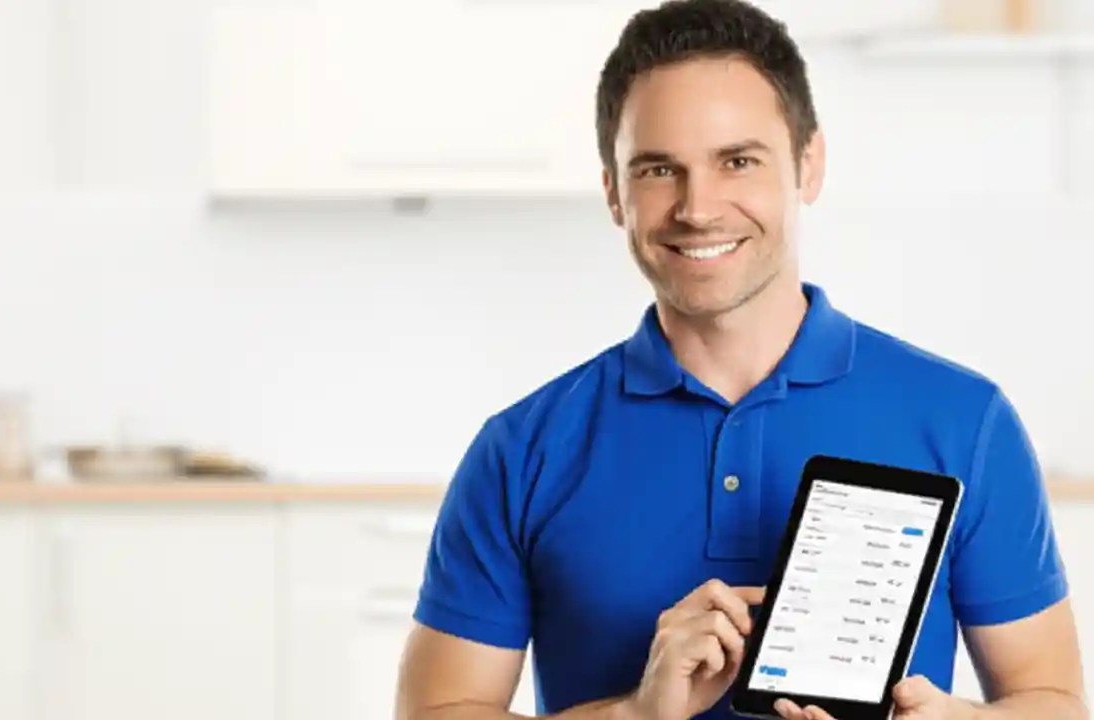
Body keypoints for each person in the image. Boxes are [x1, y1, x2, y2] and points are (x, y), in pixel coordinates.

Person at [394, 0, 1085, 719]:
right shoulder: (522, 449)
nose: (698, 208)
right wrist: (634, 715)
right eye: (658, 169)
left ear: (808, 165)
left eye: (738, 161)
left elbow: (1053, 701)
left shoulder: (964, 421)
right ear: (614, 193)